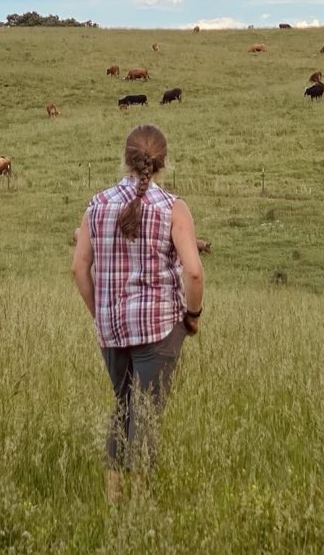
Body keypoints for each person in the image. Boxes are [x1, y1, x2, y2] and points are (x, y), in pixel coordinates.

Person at [71, 123, 205, 502]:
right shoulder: (172, 207)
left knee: (123, 407)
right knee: (146, 414)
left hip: (112, 328)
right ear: (162, 162)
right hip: (158, 328)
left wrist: (101, 313)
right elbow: (193, 271)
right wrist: (192, 315)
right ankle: (140, 506)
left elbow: (79, 269)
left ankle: (113, 498)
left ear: (126, 158)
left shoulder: (96, 205)